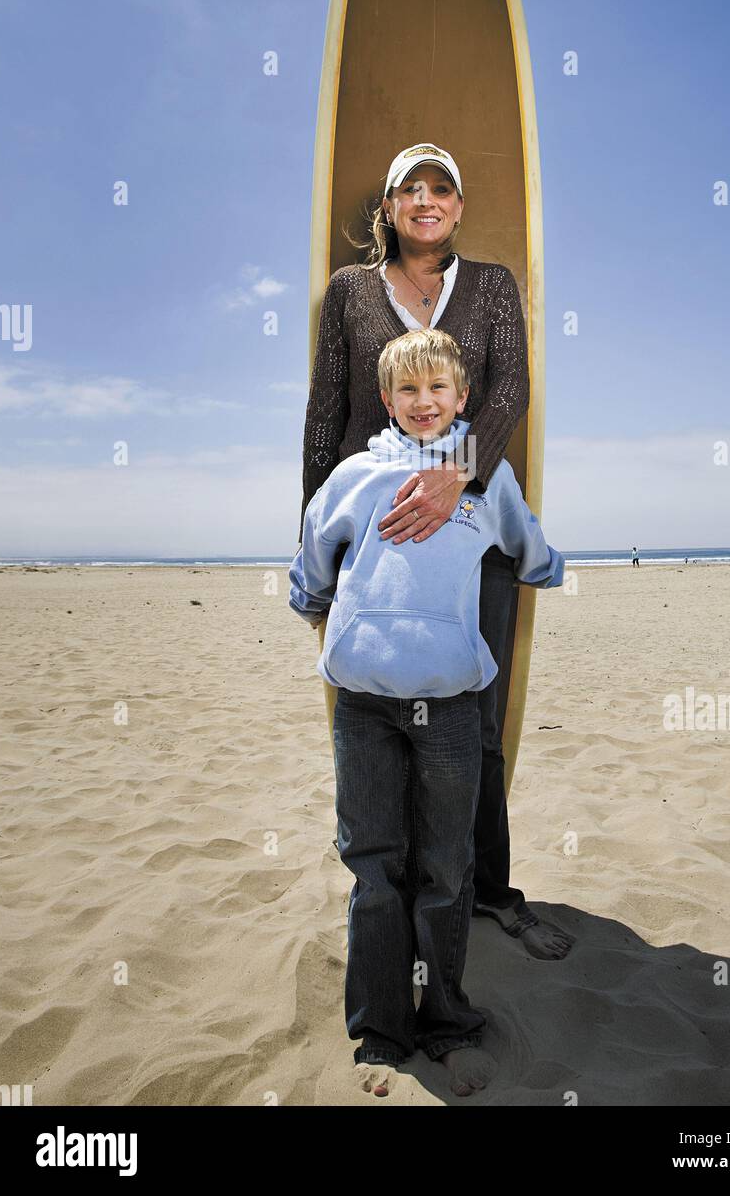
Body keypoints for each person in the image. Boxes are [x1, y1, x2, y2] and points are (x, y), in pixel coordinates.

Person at [298, 141, 573, 962]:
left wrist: (458, 475)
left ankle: (488, 891)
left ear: (457, 207)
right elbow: (325, 412)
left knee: (474, 725)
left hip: (469, 536)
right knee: (377, 715)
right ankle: (393, 894)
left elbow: (511, 389)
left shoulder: (491, 285)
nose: (425, 200)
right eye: (408, 189)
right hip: (374, 544)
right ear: (387, 208)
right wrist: (313, 538)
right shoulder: (350, 291)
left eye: (440, 189)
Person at [289, 328, 564, 1097]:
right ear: (386, 400)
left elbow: (532, 549)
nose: (422, 403)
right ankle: (380, 1030)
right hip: (366, 705)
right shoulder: (350, 476)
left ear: (462, 398)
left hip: (447, 705)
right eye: (406, 391)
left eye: (437, 389)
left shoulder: (486, 480)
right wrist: (315, 605)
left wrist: (550, 564)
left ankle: (445, 1021)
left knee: (445, 871)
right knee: (374, 868)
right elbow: (311, 563)